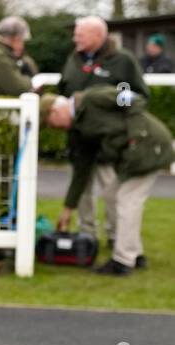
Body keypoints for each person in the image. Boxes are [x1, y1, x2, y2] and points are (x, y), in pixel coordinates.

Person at [44, 87, 173, 275]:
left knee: (127, 200)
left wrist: (135, 137)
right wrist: (67, 209)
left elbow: (132, 98)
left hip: (150, 146)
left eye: (50, 123)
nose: (54, 128)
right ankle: (135, 254)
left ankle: (123, 261)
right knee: (112, 195)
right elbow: (82, 170)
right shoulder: (78, 130)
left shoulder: (93, 98)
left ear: (55, 111)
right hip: (132, 158)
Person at [59, 16, 150, 248]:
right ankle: (87, 237)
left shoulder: (123, 61)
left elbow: (139, 97)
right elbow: (64, 90)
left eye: (80, 34)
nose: (75, 38)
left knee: (113, 194)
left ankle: (116, 237)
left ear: (98, 36)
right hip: (80, 142)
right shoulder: (73, 59)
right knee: (83, 193)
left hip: (110, 144)